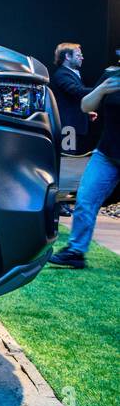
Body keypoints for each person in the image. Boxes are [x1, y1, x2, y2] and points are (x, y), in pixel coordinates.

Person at [50, 71, 120, 268]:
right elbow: (86, 106)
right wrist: (102, 89)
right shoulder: (111, 77)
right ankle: (76, 251)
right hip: (107, 153)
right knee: (85, 198)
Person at [50, 42, 92, 153]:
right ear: (67, 57)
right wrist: (101, 89)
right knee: (67, 159)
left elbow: (72, 100)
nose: (82, 57)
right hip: (68, 127)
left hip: (74, 127)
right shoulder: (62, 74)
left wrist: (86, 113)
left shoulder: (71, 73)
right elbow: (76, 91)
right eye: (78, 55)